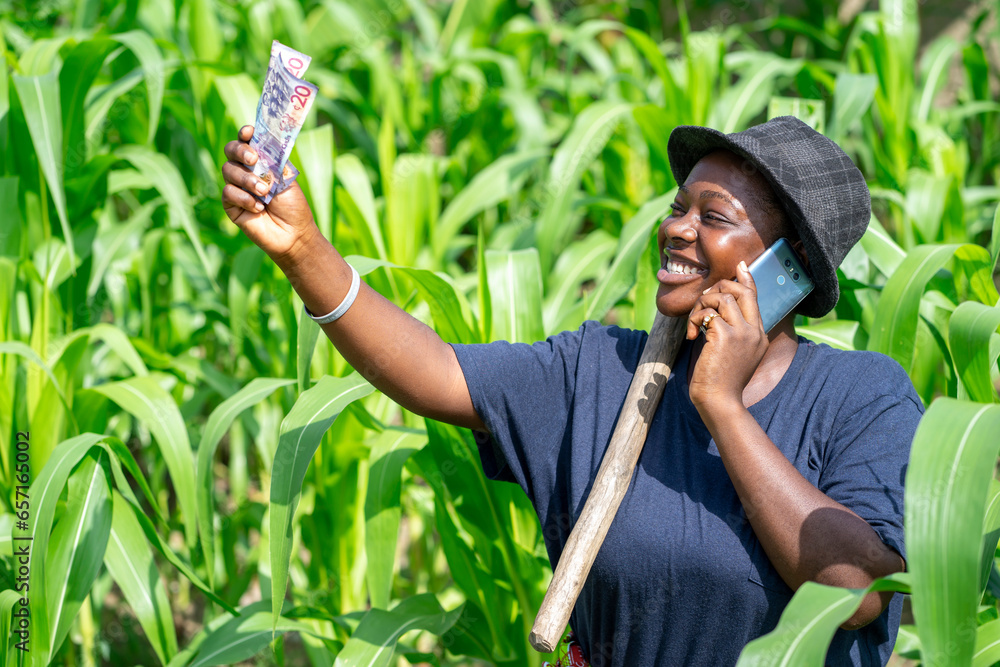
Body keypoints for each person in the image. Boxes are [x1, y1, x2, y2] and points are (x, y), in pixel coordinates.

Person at [221, 115, 922, 666]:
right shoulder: (601, 372)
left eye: (713, 217)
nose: (676, 228)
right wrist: (302, 249)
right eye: (678, 208)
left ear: (789, 269)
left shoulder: (863, 398)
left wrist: (722, 403)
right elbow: (434, 371)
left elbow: (853, 588)